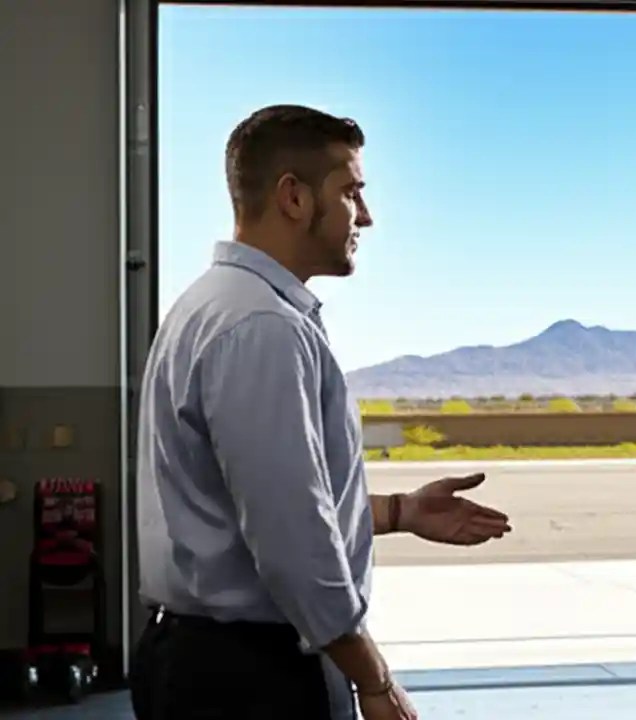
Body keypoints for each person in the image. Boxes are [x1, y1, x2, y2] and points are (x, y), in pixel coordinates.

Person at [129, 104, 513, 720]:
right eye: (352, 192)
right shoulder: (260, 326)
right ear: (294, 198)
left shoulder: (218, 305)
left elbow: (256, 502)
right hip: (252, 677)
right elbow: (290, 540)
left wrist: (400, 512)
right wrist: (374, 680)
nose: (366, 216)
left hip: (214, 661)